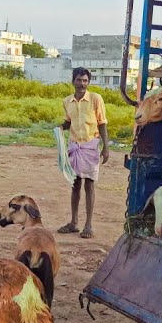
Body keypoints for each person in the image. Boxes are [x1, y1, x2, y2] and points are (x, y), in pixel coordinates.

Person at [58, 68, 109, 239]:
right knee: (75, 184)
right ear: (73, 81)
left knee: (89, 185)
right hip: (74, 146)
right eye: (79, 80)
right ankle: (73, 223)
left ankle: (88, 225)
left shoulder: (95, 99)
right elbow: (68, 121)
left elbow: (102, 123)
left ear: (89, 82)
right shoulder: (67, 101)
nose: (82, 84)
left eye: (85, 81)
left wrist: (106, 147)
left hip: (90, 146)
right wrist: (61, 128)